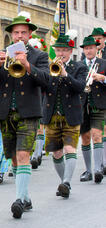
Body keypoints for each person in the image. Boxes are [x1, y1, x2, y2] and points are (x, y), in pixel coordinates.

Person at [0, 12, 49, 219]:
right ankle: (25, 197)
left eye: (23, 33)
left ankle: (18, 199)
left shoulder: (39, 56)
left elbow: (46, 80)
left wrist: (27, 65)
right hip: (6, 111)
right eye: (16, 33)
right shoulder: (1, 54)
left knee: (23, 154)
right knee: (14, 159)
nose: (19, 36)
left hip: (29, 112)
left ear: (29, 35)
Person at [42, 32, 87, 198]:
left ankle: (66, 182)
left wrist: (65, 75)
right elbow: (44, 88)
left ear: (70, 51)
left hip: (71, 114)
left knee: (69, 148)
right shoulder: (49, 67)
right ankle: (64, 183)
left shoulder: (79, 67)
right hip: (52, 115)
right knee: (56, 153)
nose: (60, 53)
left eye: (63, 50)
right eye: (58, 50)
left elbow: (80, 87)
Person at [79, 35, 106, 184]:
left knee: (97, 135)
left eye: (91, 48)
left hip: (99, 104)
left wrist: (102, 78)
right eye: (86, 48)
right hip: (82, 105)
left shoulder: (103, 63)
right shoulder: (79, 65)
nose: (89, 51)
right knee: (85, 138)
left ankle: (97, 169)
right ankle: (88, 170)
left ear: (96, 49)